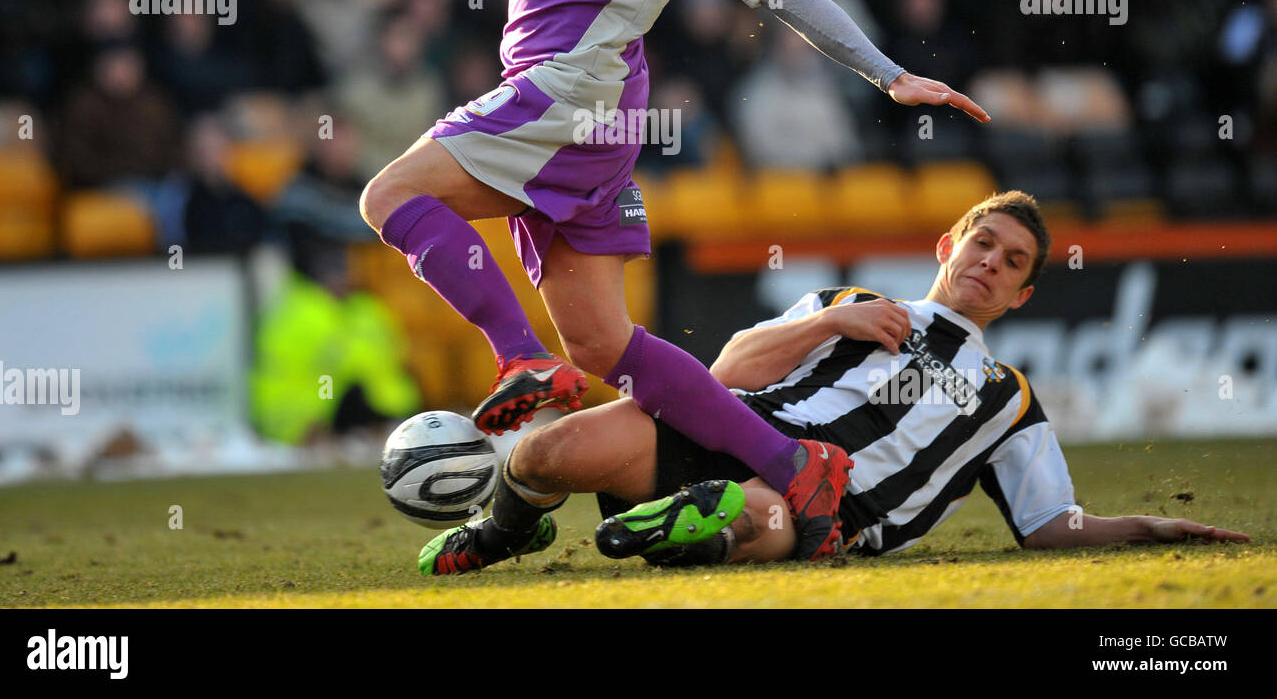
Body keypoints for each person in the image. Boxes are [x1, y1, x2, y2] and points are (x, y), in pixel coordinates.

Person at [360, 0, 990, 562]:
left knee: (387, 197)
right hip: (584, 104)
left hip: (573, 93)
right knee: (606, 342)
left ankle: (516, 360)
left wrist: (886, 74)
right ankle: (795, 462)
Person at [419, 191, 1249, 574]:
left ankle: (693, 533)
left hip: (834, 504)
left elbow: (1048, 525)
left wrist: (1146, 527)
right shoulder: (851, 302)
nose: (990, 263)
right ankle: (507, 528)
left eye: (1012, 262)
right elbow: (720, 377)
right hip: (737, 428)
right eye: (982, 243)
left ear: (1023, 293)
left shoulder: (1009, 398)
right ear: (946, 246)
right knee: (541, 453)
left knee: (751, 517)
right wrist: (827, 322)